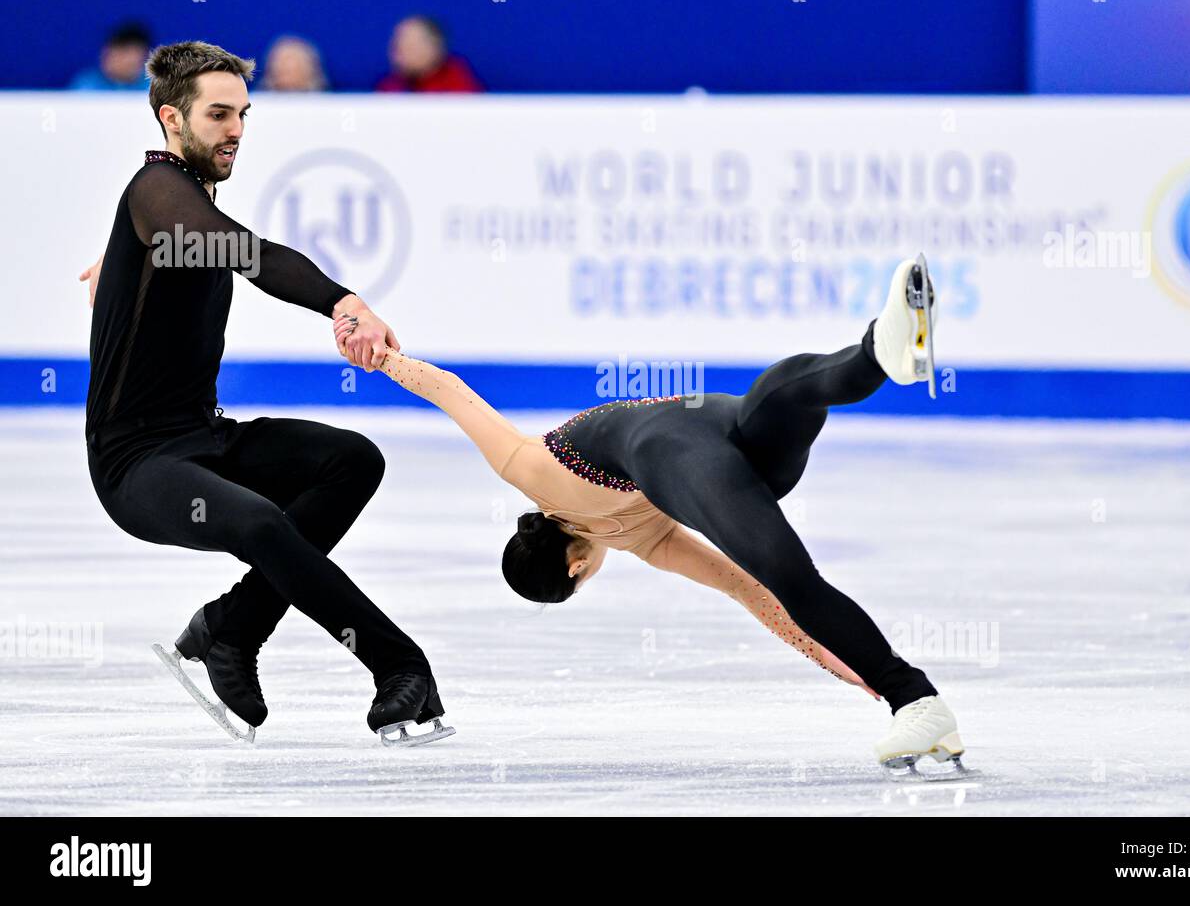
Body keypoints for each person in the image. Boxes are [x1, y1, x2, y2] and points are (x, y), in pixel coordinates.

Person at [349, 256, 965, 772]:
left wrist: (851, 670)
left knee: (790, 577)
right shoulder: (553, 485)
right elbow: (448, 389)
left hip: (682, 459)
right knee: (789, 393)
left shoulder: (575, 499)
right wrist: (380, 355)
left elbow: (754, 594)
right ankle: (876, 355)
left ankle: (912, 698)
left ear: (573, 570)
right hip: (725, 427)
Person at [81, 40, 449, 746]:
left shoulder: (178, 202)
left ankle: (232, 628)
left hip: (205, 436)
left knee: (352, 460)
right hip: (137, 465)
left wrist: (119, 259)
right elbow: (249, 255)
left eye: (243, 114)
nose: (236, 130)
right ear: (171, 119)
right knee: (257, 522)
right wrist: (344, 302)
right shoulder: (157, 190)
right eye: (218, 115)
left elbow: (184, 243)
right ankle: (399, 666)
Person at [376, 16, 483, 93]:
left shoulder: (460, 87)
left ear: (434, 48)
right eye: (397, 47)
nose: (398, 56)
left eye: (409, 47)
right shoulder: (391, 86)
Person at [70, 22, 151, 91]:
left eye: (124, 52)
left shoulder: (153, 87)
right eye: (112, 51)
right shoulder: (86, 83)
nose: (115, 58)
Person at [260, 35, 328, 92]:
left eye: (291, 69)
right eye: (282, 66)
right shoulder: (258, 102)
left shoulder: (326, 104)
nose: (286, 69)